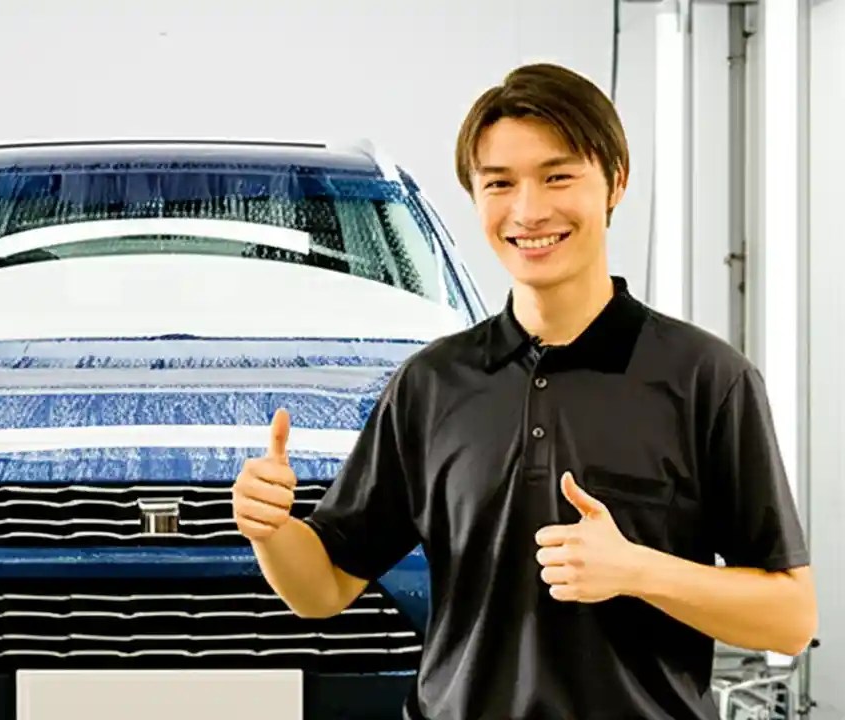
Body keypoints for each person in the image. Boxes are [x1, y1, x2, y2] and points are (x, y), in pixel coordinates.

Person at [231, 62, 818, 720]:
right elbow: (326, 587)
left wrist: (637, 570)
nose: (529, 210)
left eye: (558, 176)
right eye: (499, 184)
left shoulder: (707, 379)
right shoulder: (431, 384)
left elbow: (790, 618)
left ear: (615, 181)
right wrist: (272, 531)